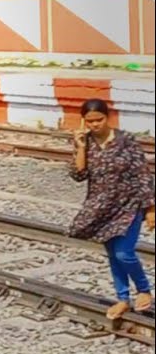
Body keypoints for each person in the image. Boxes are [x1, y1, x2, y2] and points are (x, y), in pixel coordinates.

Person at [67, 98, 155, 319]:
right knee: (113, 256)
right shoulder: (85, 142)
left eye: (99, 120)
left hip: (129, 204)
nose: (95, 125)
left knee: (124, 253)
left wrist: (151, 208)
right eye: (89, 121)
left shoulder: (126, 141)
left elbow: (143, 174)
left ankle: (144, 290)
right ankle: (123, 298)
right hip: (101, 207)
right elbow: (78, 175)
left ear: (108, 117)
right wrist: (80, 147)